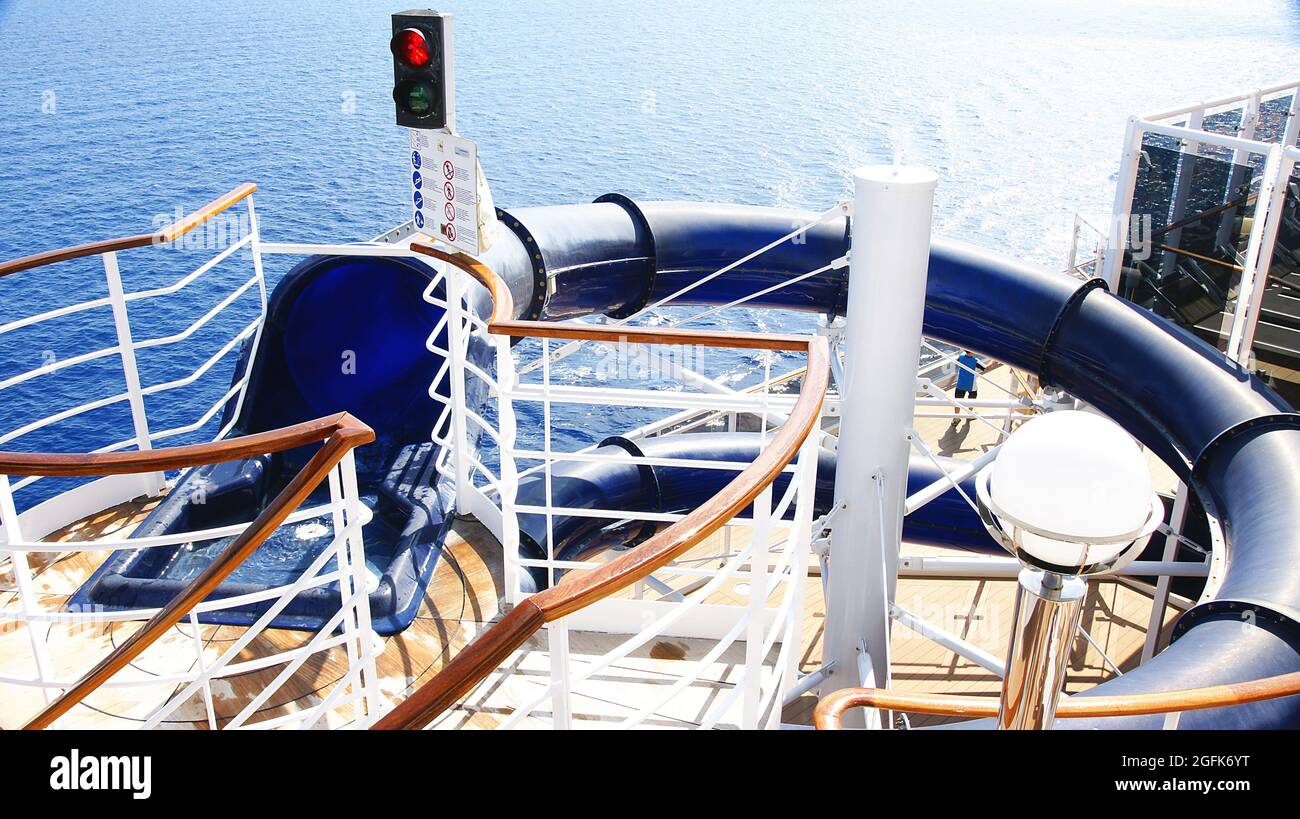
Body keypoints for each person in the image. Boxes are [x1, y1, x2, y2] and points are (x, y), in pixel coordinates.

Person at [953, 349, 985, 422]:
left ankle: (956, 418)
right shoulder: (976, 361)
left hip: (960, 383)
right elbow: (986, 368)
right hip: (971, 385)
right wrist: (993, 362)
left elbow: (957, 363)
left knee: (958, 401)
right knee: (972, 399)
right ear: (972, 351)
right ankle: (969, 415)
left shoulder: (960, 357)